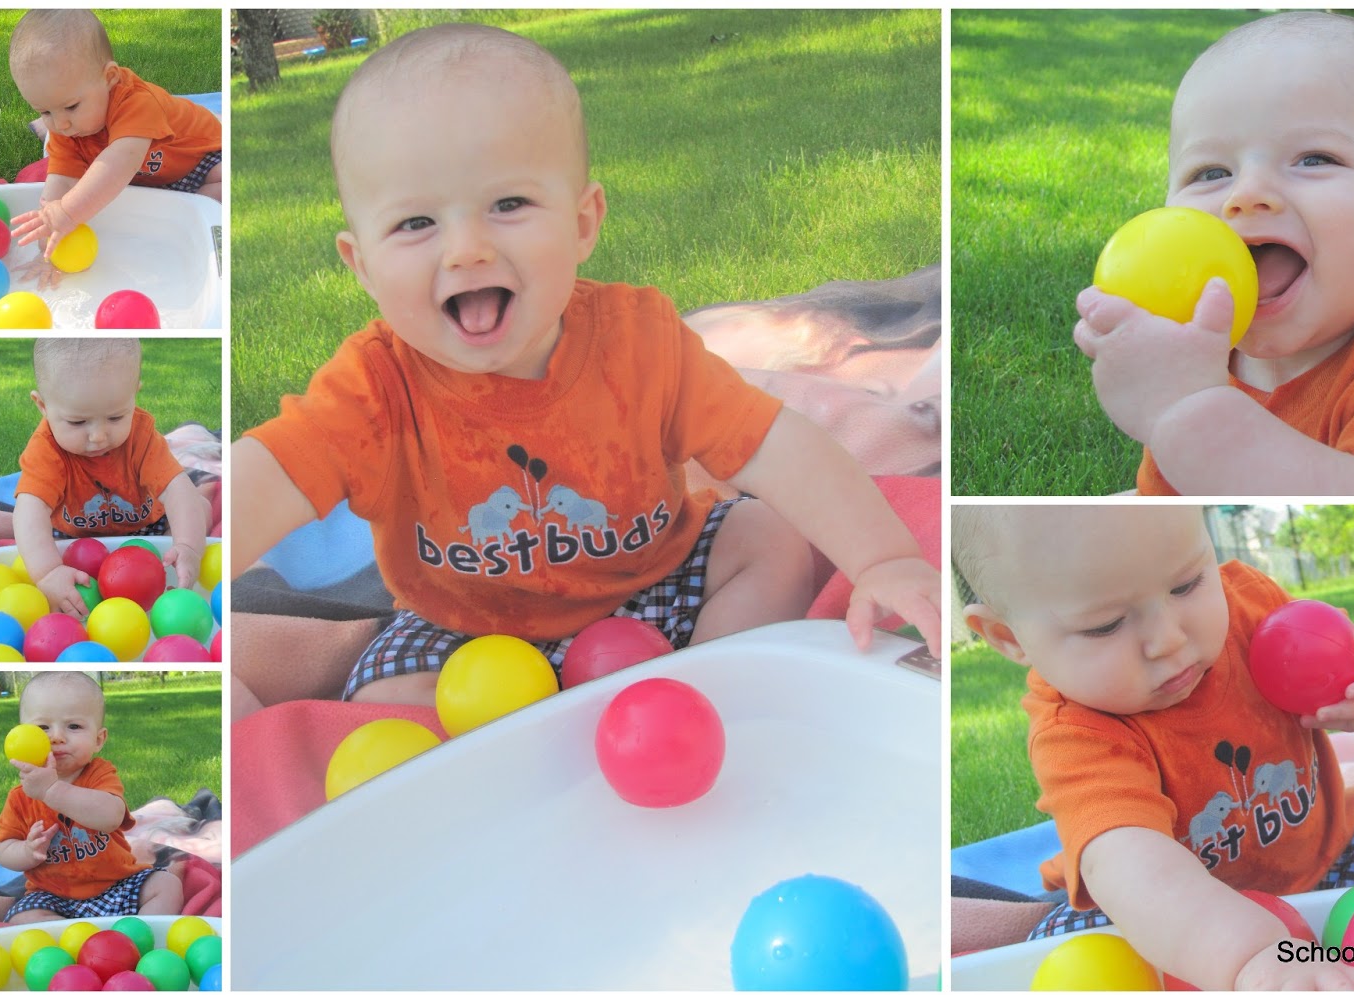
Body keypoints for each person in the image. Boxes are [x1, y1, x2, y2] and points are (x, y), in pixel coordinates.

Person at [229, 24, 940, 712]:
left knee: (769, 539)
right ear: (361, 265)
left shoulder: (640, 345)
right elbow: (276, 470)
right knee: (383, 691)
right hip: (467, 631)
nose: (467, 249)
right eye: (416, 223)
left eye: (508, 204)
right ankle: (540, 741)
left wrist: (882, 559)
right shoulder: (374, 389)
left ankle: (702, 695)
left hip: (656, 585)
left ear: (582, 223)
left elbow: (776, 445)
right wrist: (203, 545)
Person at [952, 505, 1354, 990]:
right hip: (1166, 920)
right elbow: (1135, 873)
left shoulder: (1255, 610)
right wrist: (1253, 956)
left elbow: (1341, 661)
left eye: (1186, 584)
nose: (1169, 639)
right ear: (1007, 636)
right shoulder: (1077, 733)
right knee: (1070, 958)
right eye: (1105, 625)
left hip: (1323, 855)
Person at [1074, 12, 1354, 496]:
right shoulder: (1197, 361)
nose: (1246, 194)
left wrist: (1195, 417)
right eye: (1210, 173)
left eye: (1314, 160)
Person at [13, 337, 210, 616]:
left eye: (116, 417)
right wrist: (48, 572)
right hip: (74, 538)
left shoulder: (141, 437)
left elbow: (177, 489)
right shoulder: (46, 449)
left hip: (149, 527)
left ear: (134, 395)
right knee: (30, 530)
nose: (98, 436)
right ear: (43, 406)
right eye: (78, 422)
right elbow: (30, 509)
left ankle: (175, 553)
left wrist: (189, 547)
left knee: (199, 506)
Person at [6, 9, 223, 258]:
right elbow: (60, 185)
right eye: (45, 112)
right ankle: (184, 206)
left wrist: (67, 213)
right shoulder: (66, 129)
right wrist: (47, 250)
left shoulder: (136, 102)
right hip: (156, 177)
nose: (60, 124)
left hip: (201, 158)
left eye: (71, 106)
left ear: (109, 77)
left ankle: (196, 204)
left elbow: (119, 163)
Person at [0, 672, 184, 923]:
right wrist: (27, 851)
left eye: (74, 726)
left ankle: (137, 935)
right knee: (23, 917)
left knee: (167, 885)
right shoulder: (20, 797)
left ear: (98, 739)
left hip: (116, 885)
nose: (56, 737)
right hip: (52, 896)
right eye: (42, 728)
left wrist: (51, 791)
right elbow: (2, 848)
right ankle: (74, 941)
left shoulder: (99, 775)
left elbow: (110, 817)